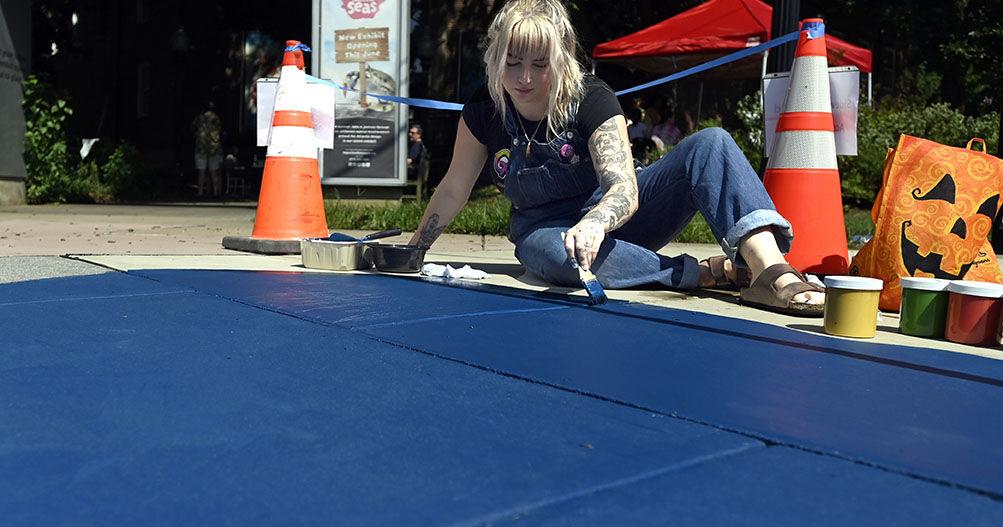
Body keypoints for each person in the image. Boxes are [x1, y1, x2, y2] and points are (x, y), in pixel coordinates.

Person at [407, 0, 824, 316]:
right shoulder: (484, 109)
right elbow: (453, 187)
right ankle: (705, 272)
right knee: (555, 254)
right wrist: (414, 249)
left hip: (617, 217)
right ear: (494, 58)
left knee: (711, 144)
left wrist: (594, 222)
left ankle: (768, 271)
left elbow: (624, 187)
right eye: (511, 63)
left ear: (563, 56)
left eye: (539, 64)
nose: (524, 78)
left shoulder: (592, 97)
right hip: (546, 230)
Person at [192, 101, 223, 198]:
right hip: (214, 147)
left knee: (201, 171)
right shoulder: (216, 118)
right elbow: (220, 130)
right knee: (214, 171)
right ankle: (216, 192)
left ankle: (201, 192)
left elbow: (193, 129)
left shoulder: (199, 119)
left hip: (201, 147)